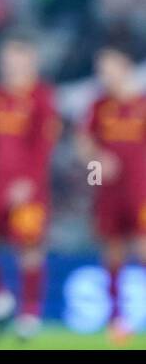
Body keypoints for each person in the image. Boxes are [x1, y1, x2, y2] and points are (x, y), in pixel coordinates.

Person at [0, 34, 61, 340]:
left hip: (28, 189)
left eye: (16, 59)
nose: (10, 65)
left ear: (30, 60)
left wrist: (29, 180)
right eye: (5, 59)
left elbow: (45, 144)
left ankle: (29, 314)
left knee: (28, 248)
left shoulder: (42, 97)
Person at [75, 40, 146, 343]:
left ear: (126, 67)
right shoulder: (98, 107)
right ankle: (117, 320)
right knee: (113, 253)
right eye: (100, 70)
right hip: (109, 194)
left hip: (141, 191)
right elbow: (82, 143)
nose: (104, 75)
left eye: (109, 69)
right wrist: (97, 159)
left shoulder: (142, 104)